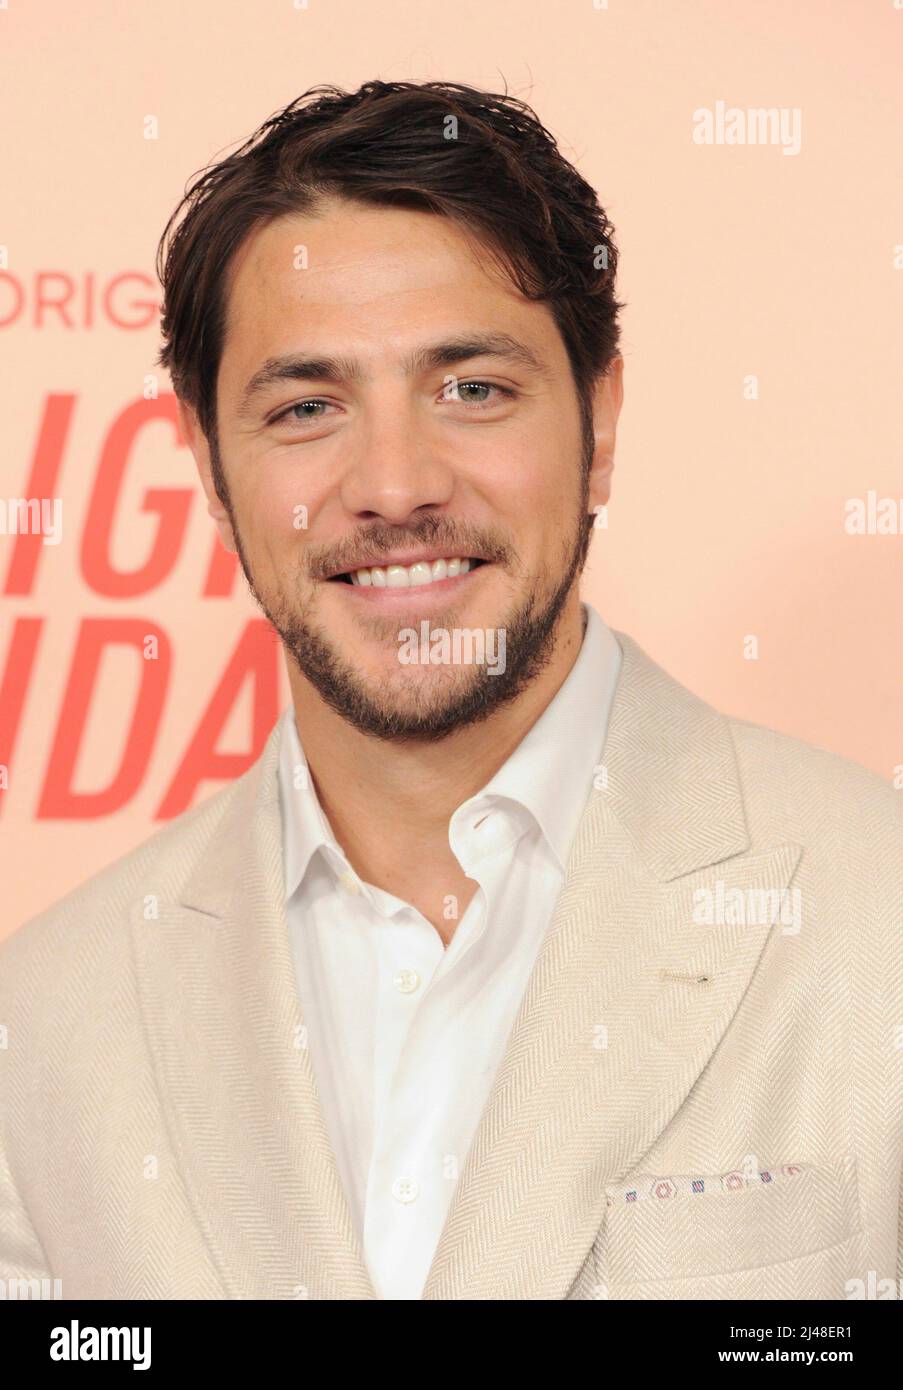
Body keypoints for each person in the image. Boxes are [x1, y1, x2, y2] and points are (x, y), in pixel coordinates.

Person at [1, 80, 900, 1302]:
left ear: (601, 419)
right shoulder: (47, 1021)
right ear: (211, 469)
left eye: (471, 389)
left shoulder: (873, 909)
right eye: (307, 406)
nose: (395, 483)